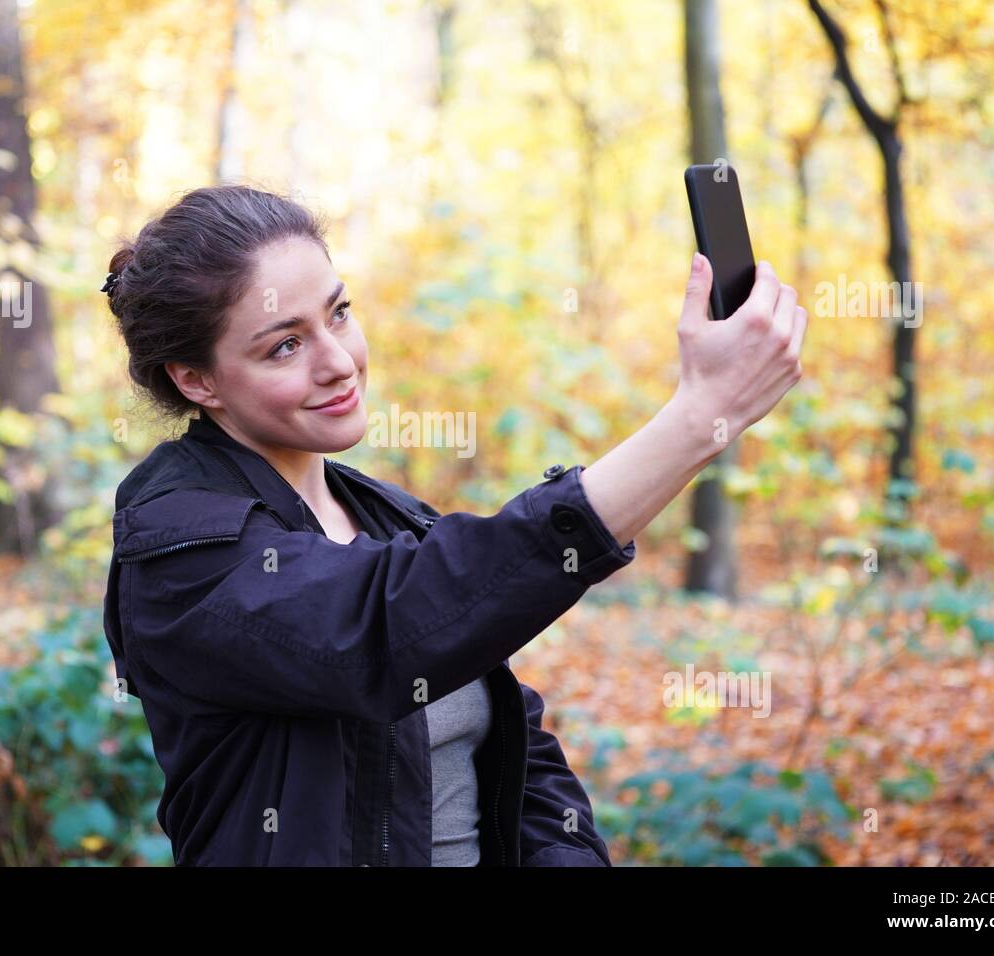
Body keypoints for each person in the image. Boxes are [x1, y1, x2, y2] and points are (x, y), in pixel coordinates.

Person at [100, 183, 807, 866]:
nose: (339, 362)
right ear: (198, 380)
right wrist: (695, 421)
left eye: (339, 313)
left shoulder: (389, 518)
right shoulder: (175, 545)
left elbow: (518, 758)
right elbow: (386, 629)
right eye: (285, 345)